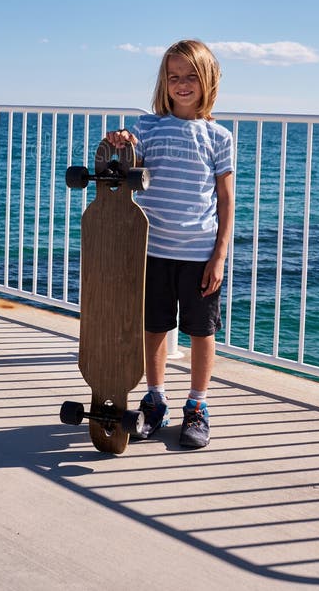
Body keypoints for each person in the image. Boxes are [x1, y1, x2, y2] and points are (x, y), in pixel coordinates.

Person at [107, 39, 234, 448]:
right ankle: (156, 398)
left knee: (201, 331)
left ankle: (197, 406)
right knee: (155, 326)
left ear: (208, 81)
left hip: (199, 253)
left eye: (191, 77)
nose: (182, 84)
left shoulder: (219, 137)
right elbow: (127, 162)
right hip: (153, 248)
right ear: (164, 82)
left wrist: (219, 255)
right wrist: (120, 143)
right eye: (174, 77)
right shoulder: (146, 127)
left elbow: (227, 200)